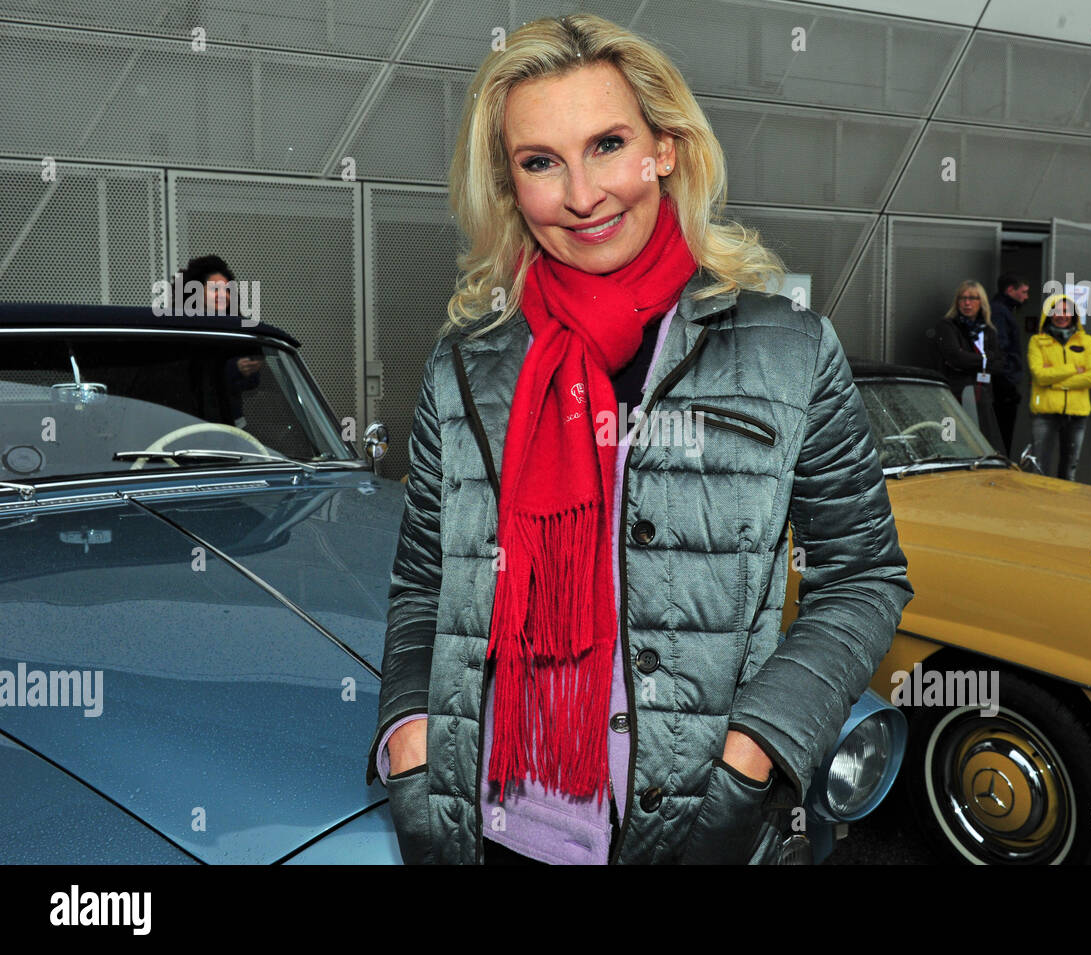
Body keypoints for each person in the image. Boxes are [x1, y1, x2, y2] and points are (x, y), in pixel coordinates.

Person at [367, 13, 913, 866]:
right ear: (510, 186)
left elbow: (865, 575)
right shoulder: (465, 362)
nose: (582, 195)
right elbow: (424, 584)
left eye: (608, 144)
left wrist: (754, 755)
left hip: (701, 830)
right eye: (540, 161)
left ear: (666, 147)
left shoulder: (789, 348)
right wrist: (409, 738)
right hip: (486, 830)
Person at [180, 255, 262, 428]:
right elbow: (185, 379)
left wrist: (249, 369)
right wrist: (233, 369)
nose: (222, 295)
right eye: (214, 289)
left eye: (227, 290)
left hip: (233, 425)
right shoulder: (181, 330)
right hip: (188, 426)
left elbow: (254, 382)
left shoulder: (238, 329)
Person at [925, 280, 1006, 453]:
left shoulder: (988, 330)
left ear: (981, 302)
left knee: (981, 444)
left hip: (981, 396)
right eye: (963, 298)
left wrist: (976, 360)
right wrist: (986, 359)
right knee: (953, 444)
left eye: (972, 298)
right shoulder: (947, 326)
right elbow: (956, 358)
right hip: (954, 396)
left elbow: (999, 364)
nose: (967, 303)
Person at [1027, 293, 1091, 481]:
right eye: (1057, 311)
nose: (1062, 315)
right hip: (1045, 413)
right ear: (1049, 314)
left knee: (1069, 470)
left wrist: (1056, 381)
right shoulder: (1037, 341)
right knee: (1039, 468)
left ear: (1074, 315)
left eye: (1067, 311)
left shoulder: (1086, 341)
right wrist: (1073, 369)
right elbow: (1040, 376)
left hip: (1077, 414)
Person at [989, 273, 1029, 454]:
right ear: (1010, 290)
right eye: (1023, 291)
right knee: (1003, 433)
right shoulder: (999, 311)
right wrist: (1008, 378)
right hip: (1003, 382)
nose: (1026, 297)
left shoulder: (1003, 309)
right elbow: (1001, 346)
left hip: (1004, 380)